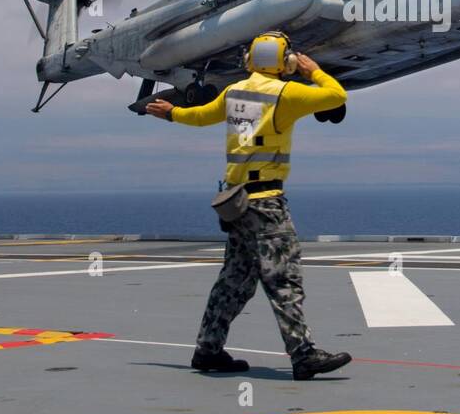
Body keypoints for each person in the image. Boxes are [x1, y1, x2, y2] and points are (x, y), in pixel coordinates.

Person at [146, 32, 353, 381]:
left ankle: (208, 350)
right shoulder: (285, 93)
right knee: (283, 277)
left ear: (249, 61)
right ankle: (303, 355)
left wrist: (171, 114)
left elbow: (198, 117)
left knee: (234, 280)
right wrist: (313, 70)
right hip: (266, 203)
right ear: (284, 61)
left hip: (235, 203)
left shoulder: (234, 92)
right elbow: (336, 96)